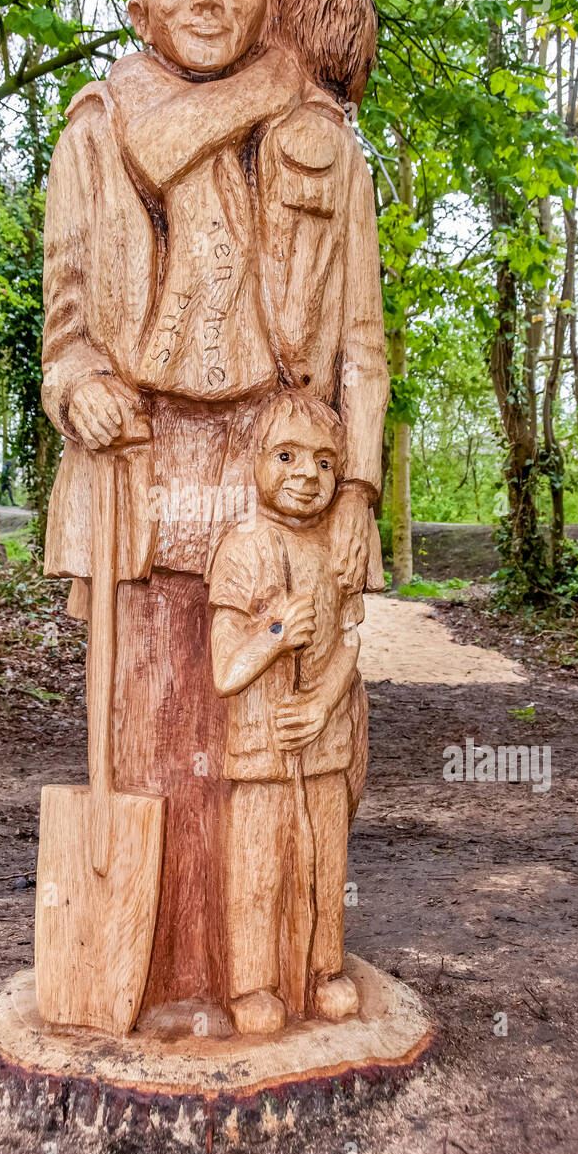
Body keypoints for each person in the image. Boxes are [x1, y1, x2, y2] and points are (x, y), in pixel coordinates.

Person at [40, 0, 388, 1015]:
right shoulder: (96, 125)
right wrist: (75, 382)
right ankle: (151, 961)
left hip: (281, 453)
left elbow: (360, 338)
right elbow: (62, 317)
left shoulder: (320, 135)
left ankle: (277, 962)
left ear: (264, 2)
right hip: (141, 452)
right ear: (140, 9)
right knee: (154, 708)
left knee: (282, 725)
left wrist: (361, 492)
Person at [209, 391, 362, 1034]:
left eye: (326, 463)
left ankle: (324, 969)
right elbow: (224, 671)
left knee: (327, 865)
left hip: (322, 742)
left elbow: (352, 640)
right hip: (257, 744)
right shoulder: (241, 548)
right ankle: (253, 984)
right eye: (287, 455)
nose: (308, 475)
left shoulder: (334, 545)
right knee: (257, 869)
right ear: (255, 460)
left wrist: (327, 704)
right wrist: (274, 631)